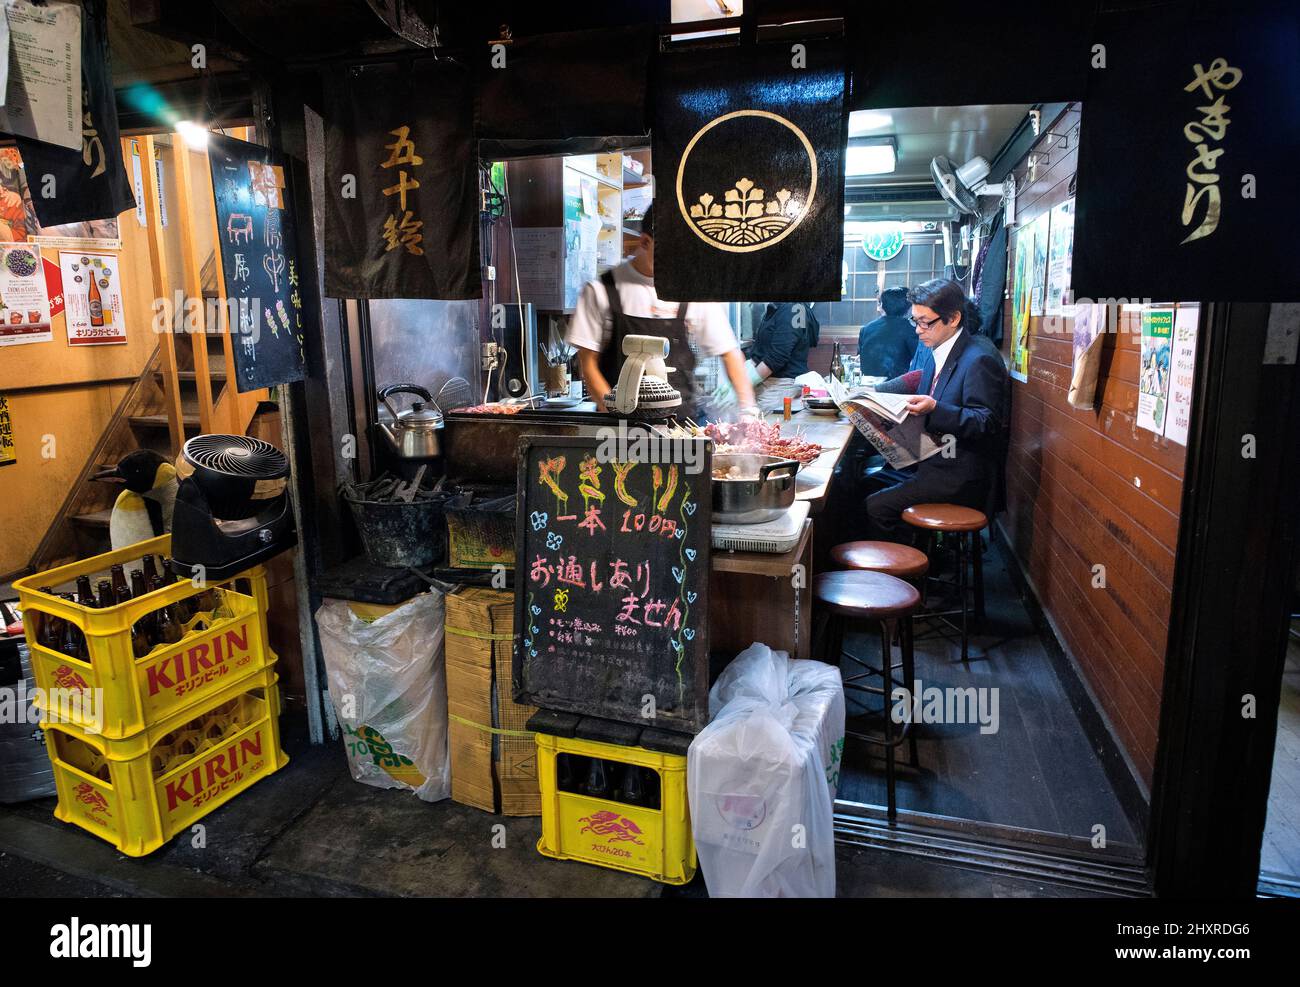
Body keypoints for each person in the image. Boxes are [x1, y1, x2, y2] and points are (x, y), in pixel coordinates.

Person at [566, 202, 757, 421]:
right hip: (619, 431)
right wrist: (616, 417)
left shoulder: (691, 291)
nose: (680, 265)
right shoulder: (600, 291)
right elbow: (588, 364)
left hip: (682, 428)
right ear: (646, 242)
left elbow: (729, 351)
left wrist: (748, 410)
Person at [865, 278, 1009, 540]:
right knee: (861, 485)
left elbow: (986, 421)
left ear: (953, 318)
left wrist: (935, 408)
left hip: (959, 475)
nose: (918, 330)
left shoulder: (979, 358)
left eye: (925, 322)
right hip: (932, 460)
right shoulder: (940, 351)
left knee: (875, 507)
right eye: (915, 321)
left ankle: (911, 571)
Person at [745, 302, 819, 412]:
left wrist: (746, 383)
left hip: (779, 389)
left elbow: (777, 357)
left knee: (769, 427)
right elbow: (763, 351)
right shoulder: (779, 308)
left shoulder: (793, 308)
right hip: (770, 386)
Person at [858, 286, 918, 380]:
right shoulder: (911, 329)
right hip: (896, 386)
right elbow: (919, 361)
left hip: (867, 384)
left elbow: (860, 357)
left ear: (882, 305)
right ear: (908, 306)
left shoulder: (866, 329)